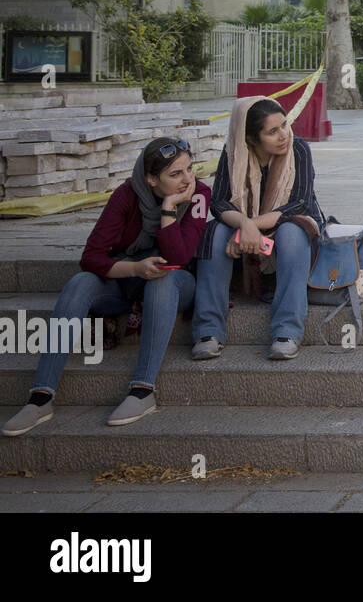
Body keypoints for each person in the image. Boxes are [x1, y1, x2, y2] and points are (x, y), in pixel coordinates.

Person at [3, 138, 210, 435]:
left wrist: (168, 210)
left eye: (190, 169)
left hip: (177, 284)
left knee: (162, 280)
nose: (188, 179)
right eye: (175, 174)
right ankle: (41, 396)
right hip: (127, 278)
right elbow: (91, 257)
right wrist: (136, 268)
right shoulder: (126, 195)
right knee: (80, 283)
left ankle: (142, 390)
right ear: (151, 179)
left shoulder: (199, 194)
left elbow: (179, 257)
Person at [192, 97, 324, 362]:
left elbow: (300, 204)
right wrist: (244, 224)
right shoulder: (234, 152)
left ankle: (286, 331)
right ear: (251, 138)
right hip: (245, 223)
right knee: (214, 233)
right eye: (272, 131)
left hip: (288, 224)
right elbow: (218, 202)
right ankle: (208, 331)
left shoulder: (298, 149)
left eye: (284, 125)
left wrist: (251, 225)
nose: (283, 135)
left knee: (292, 234)